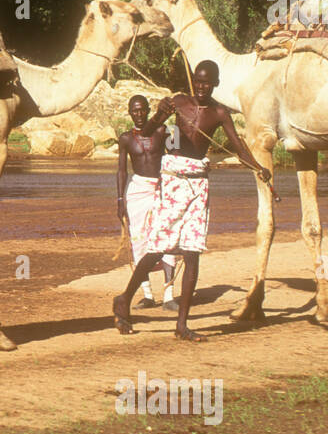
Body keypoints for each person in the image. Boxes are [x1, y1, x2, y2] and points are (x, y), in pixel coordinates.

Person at [112, 61, 271, 341]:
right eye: (197, 81)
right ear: (192, 81)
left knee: (192, 252)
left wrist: (258, 167)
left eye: (207, 83)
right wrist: (160, 113)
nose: (201, 87)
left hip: (199, 182)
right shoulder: (178, 102)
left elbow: (238, 146)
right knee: (158, 247)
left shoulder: (220, 113)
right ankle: (124, 298)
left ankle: (181, 325)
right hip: (173, 178)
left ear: (215, 84)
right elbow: (148, 132)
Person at [116, 94, 177, 310]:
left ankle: (169, 295)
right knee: (139, 241)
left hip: (161, 188)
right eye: (135, 110)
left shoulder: (164, 131)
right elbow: (122, 170)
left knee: (166, 239)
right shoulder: (125, 138)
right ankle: (148, 294)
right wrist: (120, 199)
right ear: (130, 112)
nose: (139, 114)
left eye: (142, 110)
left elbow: (177, 153)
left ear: (149, 110)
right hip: (137, 191)